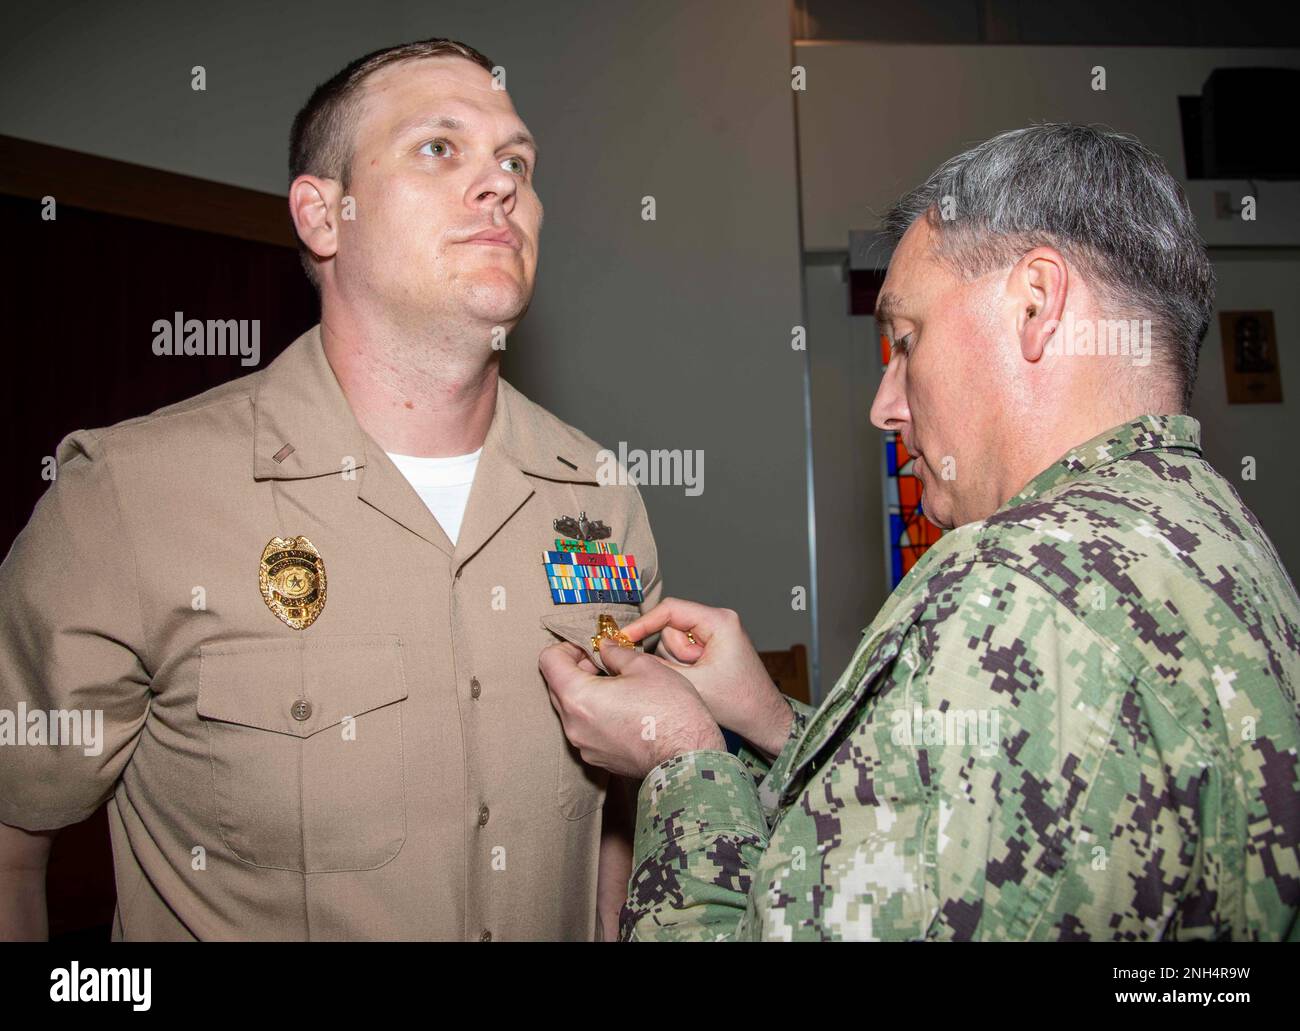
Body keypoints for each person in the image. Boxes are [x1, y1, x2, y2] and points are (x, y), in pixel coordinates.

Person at [539, 124, 1300, 941]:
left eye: (906, 341)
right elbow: (975, 825)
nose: (884, 405)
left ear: (1036, 303)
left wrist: (680, 757)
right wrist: (771, 724)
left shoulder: (1019, 588)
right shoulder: (1220, 541)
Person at [0, 38, 661, 941]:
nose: (500, 183)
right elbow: (12, 839)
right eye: (439, 147)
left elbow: (617, 825)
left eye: (517, 161)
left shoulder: (598, 497)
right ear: (322, 216)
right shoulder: (128, 498)